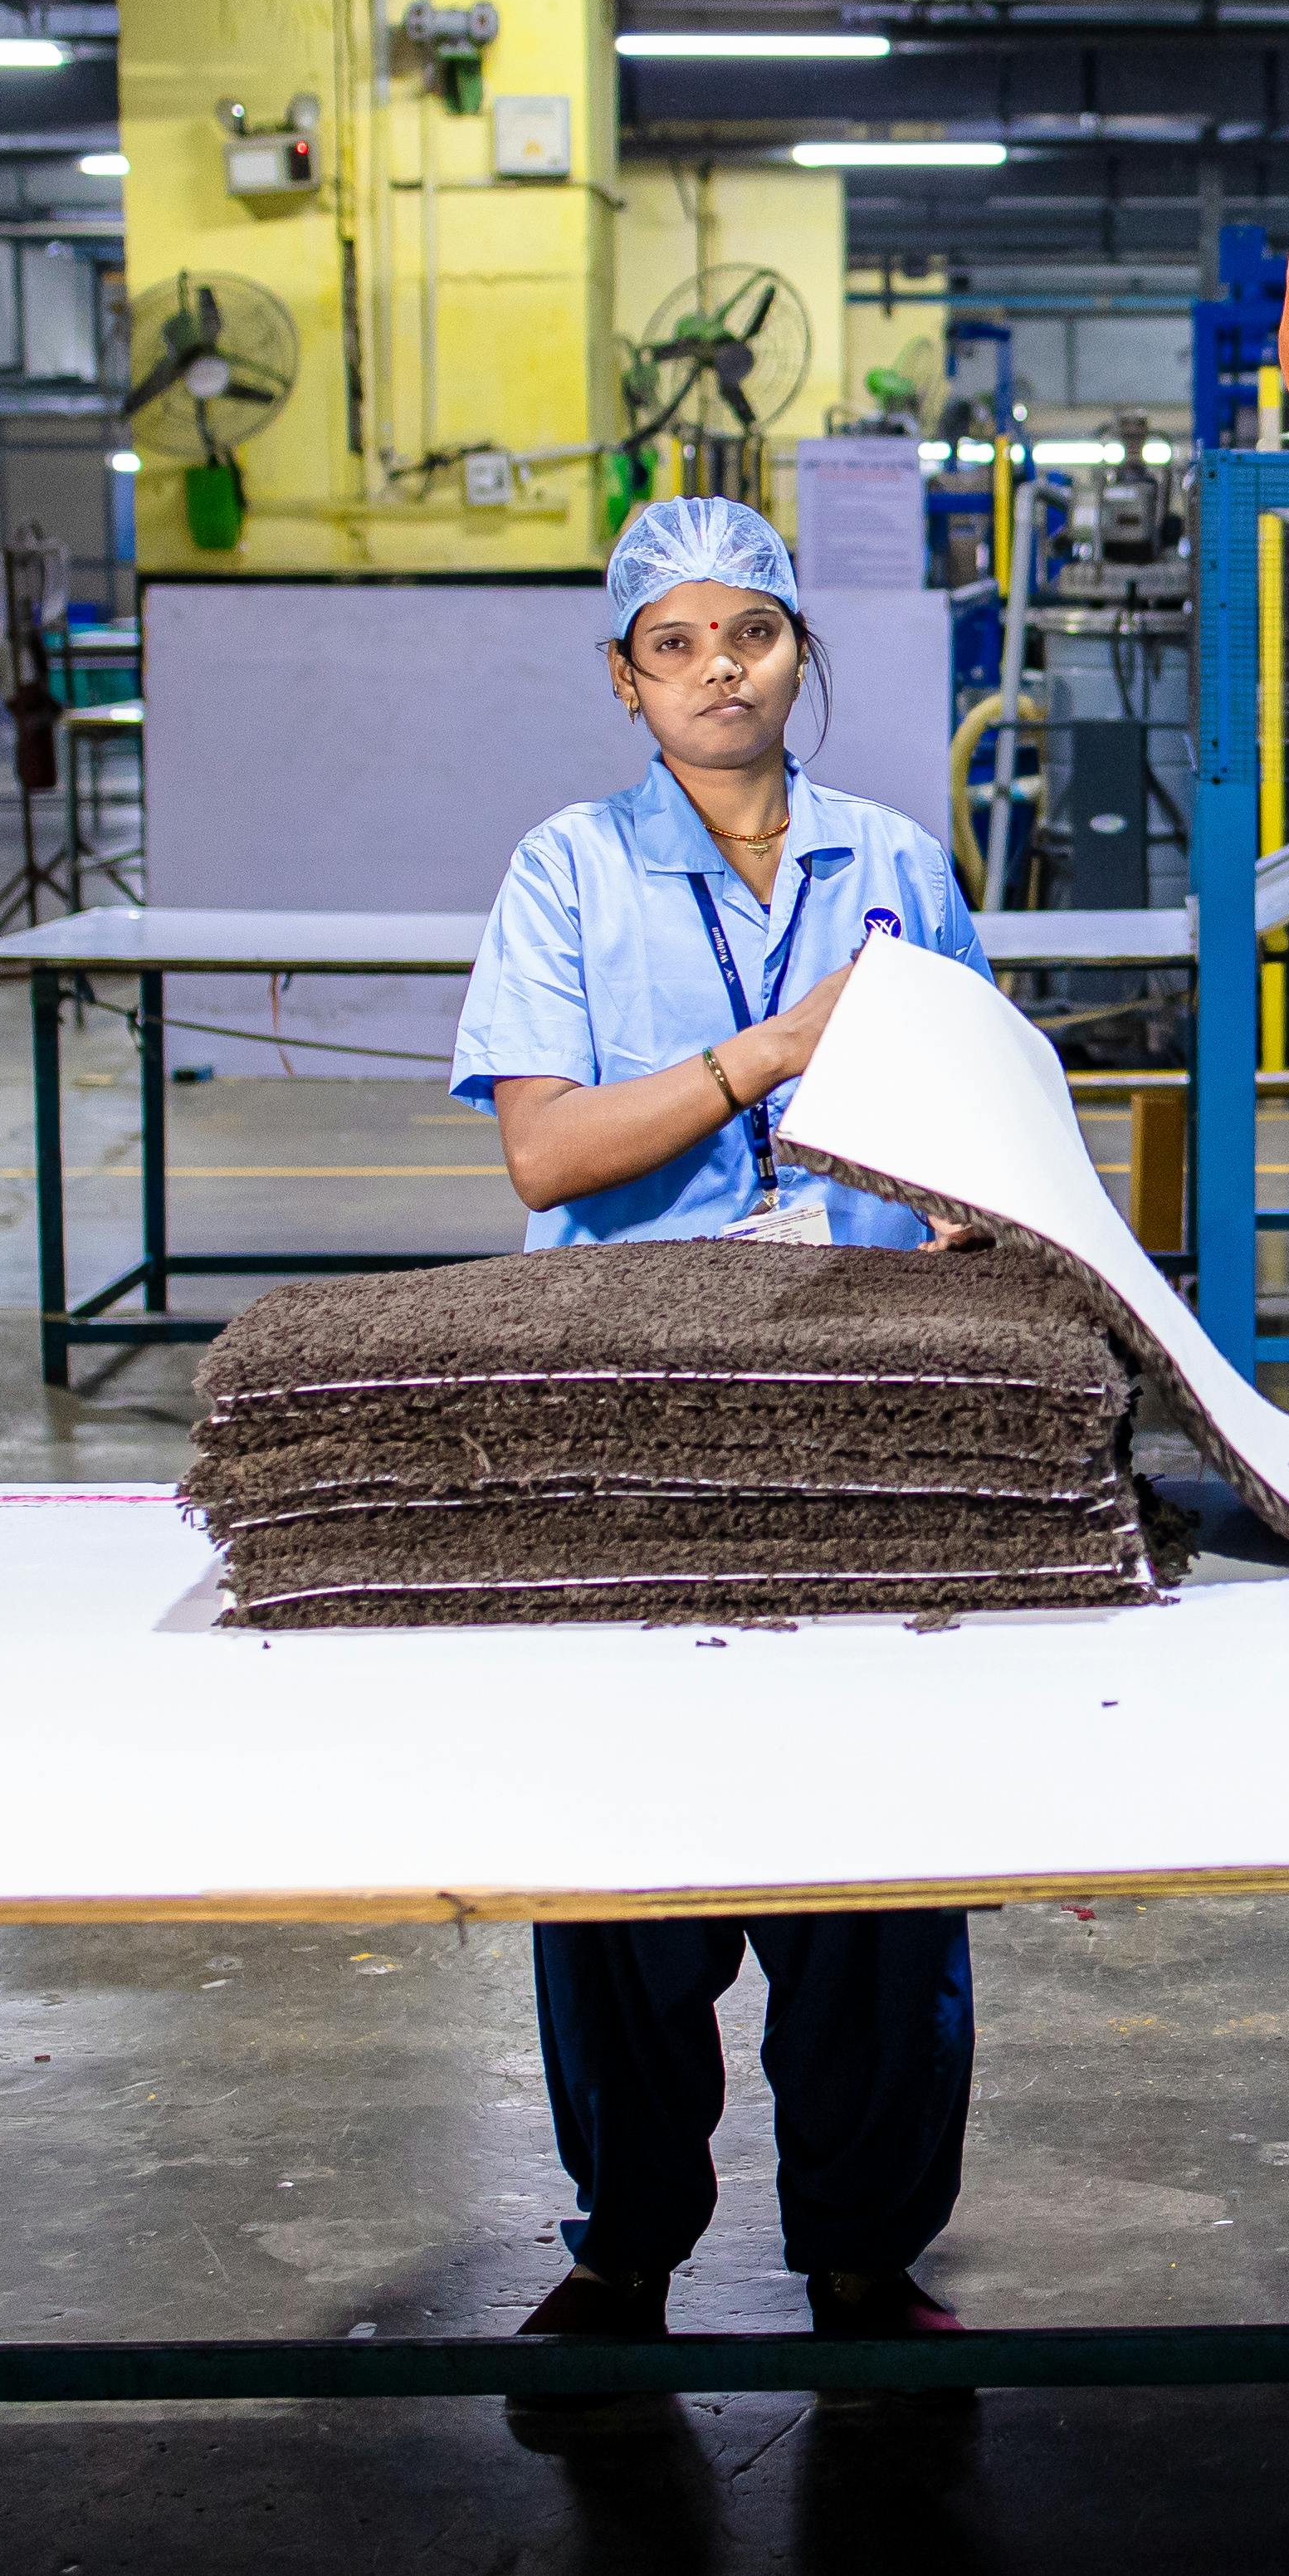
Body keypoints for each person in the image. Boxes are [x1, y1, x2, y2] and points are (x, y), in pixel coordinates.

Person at [447, 493, 998, 2363]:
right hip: (627, 1402)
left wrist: (957, 1207)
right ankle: (630, 2246)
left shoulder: (900, 866)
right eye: (672, 644)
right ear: (624, 678)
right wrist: (769, 1053)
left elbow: (973, 1133)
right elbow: (547, 1147)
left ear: (799, 655)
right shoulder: (566, 874)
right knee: (624, 1861)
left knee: (872, 1865)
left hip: (853, 1400)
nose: (716, 672)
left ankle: (860, 2249)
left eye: (748, 634)